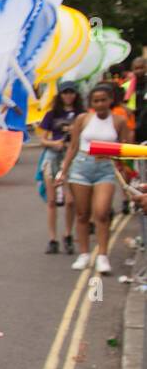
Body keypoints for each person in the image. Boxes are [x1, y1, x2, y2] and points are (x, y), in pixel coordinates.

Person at [56, 83, 134, 274]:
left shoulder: (118, 121)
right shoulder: (83, 119)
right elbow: (73, 147)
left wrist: (125, 171)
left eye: (103, 100)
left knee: (101, 213)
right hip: (81, 167)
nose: (100, 104)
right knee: (82, 214)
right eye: (95, 101)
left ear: (110, 101)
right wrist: (63, 171)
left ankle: (102, 256)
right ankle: (84, 254)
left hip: (105, 170)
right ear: (91, 103)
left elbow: (125, 150)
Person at [37, 82, 82, 254]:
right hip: (52, 156)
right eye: (65, 93)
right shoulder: (52, 114)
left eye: (71, 92)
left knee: (70, 200)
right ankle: (52, 239)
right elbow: (43, 139)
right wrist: (53, 143)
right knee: (51, 201)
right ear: (60, 95)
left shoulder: (81, 115)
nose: (68, 95)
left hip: (72, 157)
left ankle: (68, 235)